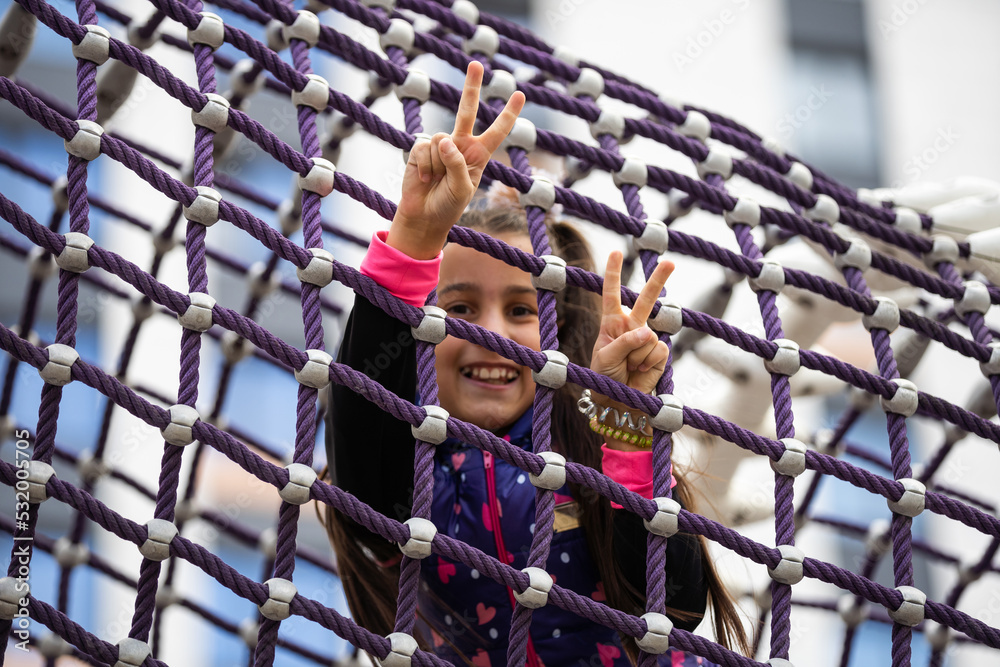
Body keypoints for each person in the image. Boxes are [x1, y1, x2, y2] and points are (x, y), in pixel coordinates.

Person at [322, 61, 749, 666]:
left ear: (554, 333)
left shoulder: (586, 438)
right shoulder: (410, 472)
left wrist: (625, 429)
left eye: (521, 309)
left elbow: (676, 603)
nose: (492, 334)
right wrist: (415, 240)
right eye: (460, 306)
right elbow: (362, 423)